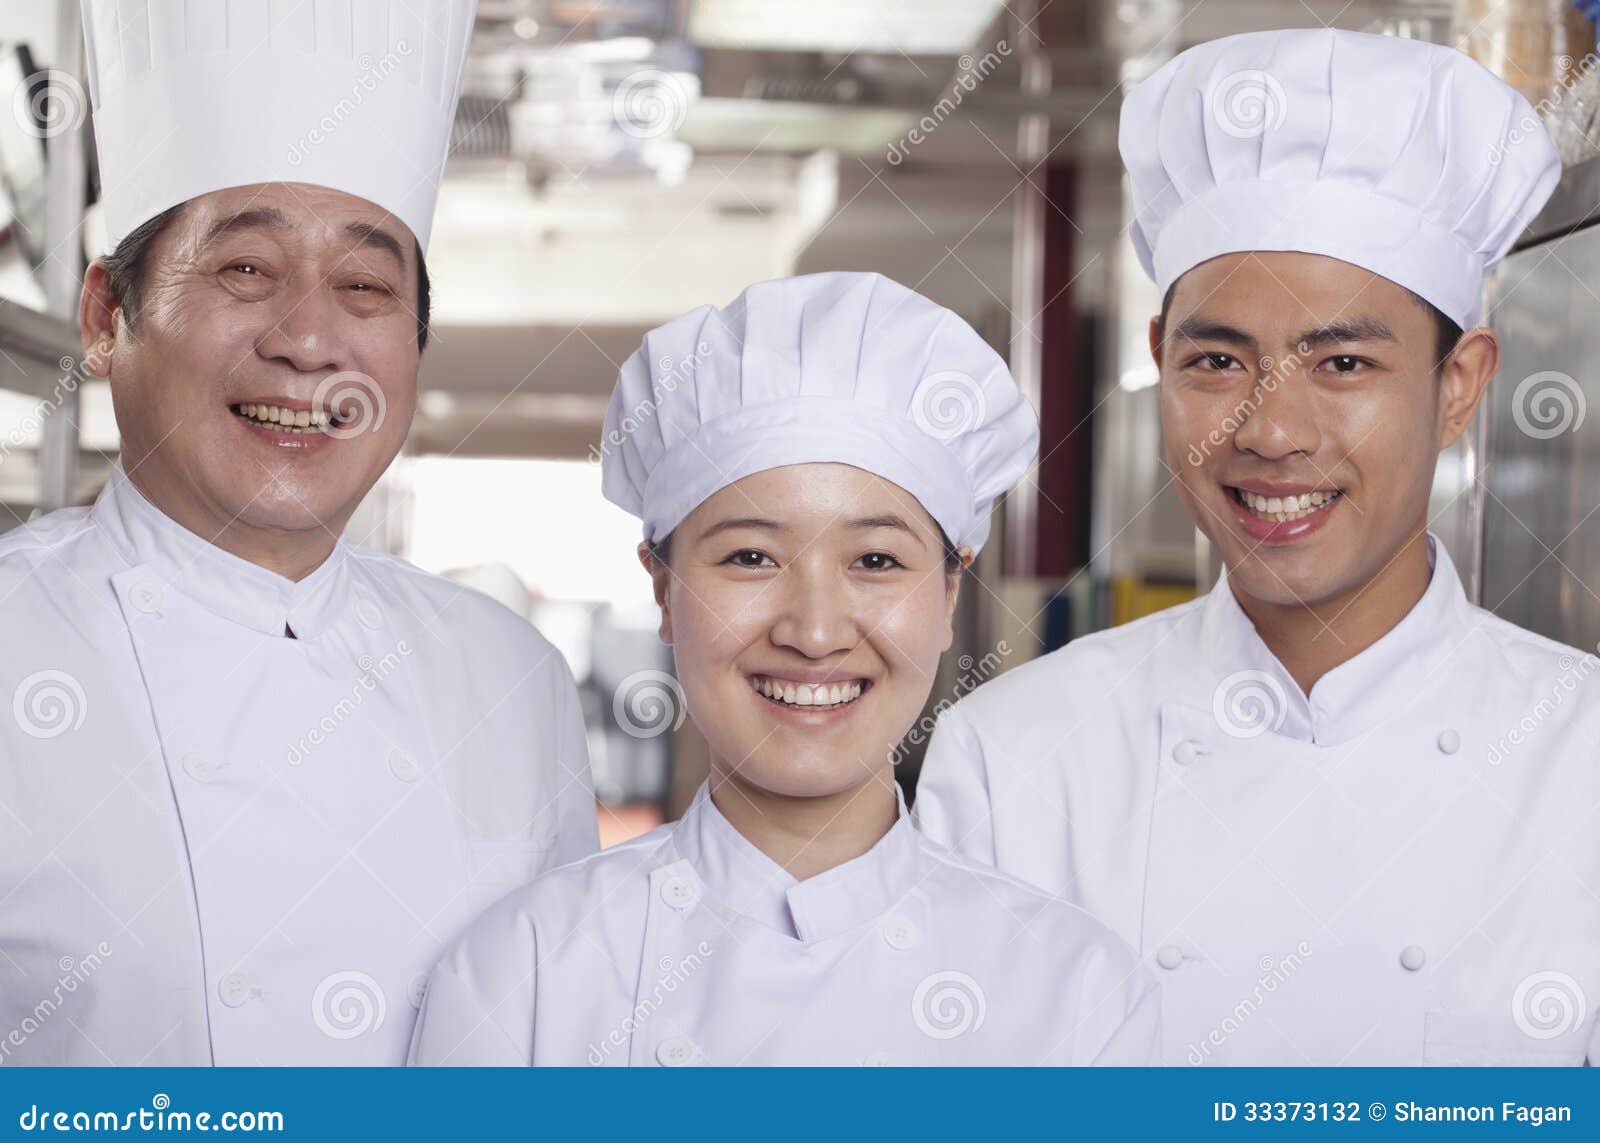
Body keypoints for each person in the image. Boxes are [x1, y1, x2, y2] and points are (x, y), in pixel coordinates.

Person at [915, 28, 1600, 1065]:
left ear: (1457, 384)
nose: (1271, 431)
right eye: (1219, 359)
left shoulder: (1576, 756)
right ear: (1159, 363)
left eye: (1343, 363)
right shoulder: (1015, 759)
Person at [0, 0, 597, 1065]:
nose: (309, 336)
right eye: (244, 269)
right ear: (104, 317)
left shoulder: (510, 682)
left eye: (365, 285)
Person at [408, 271, 1159, 1066]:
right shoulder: (522, 974)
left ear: (947, 594)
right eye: (750, 556)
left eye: (874, 559)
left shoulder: (1079, 995)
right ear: (662, 588)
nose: (814, 629)